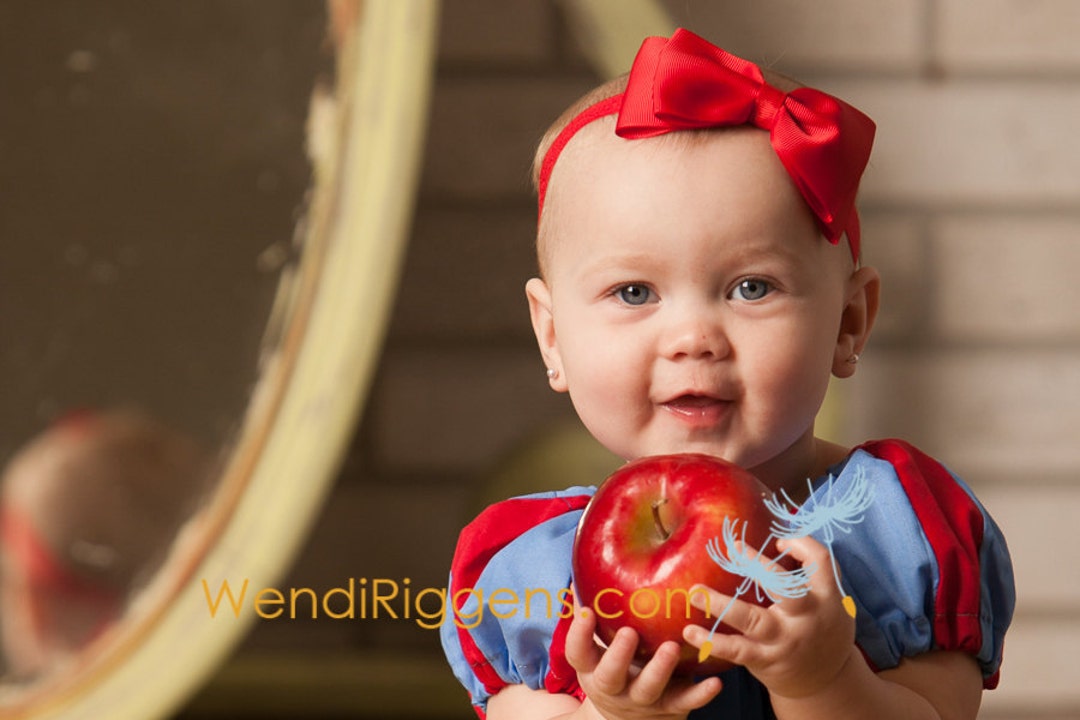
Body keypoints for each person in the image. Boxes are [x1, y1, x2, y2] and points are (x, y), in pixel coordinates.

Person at [439, 28, 1014, 720]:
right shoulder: (539, 574)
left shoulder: (901, 535)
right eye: (633, 293)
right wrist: (610, 712)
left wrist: (824, 680)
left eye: (751, 288)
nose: (692, 339)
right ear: (553, 337)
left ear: (848, 323)